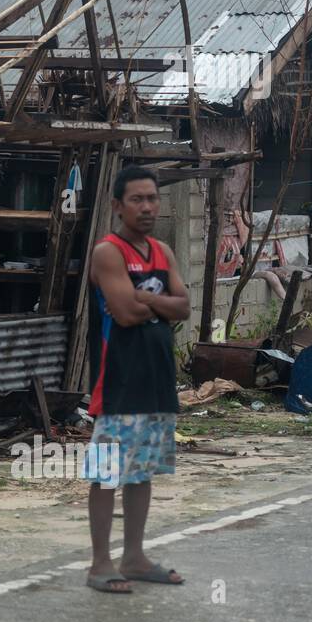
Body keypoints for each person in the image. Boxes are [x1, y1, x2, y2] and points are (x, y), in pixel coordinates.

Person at [85, 165, 189, 593]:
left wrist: (144, 296)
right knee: (106, 472)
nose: (147, 207)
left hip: (157, 380)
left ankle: (134, 556)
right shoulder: (107, 252)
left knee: (142, 471)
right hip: (118, 381)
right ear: (117, 206)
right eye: (137, 199)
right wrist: (158, 301)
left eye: (152, 198)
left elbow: (184, 308)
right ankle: (99, 564)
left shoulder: (162, 251)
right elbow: (125, 315)